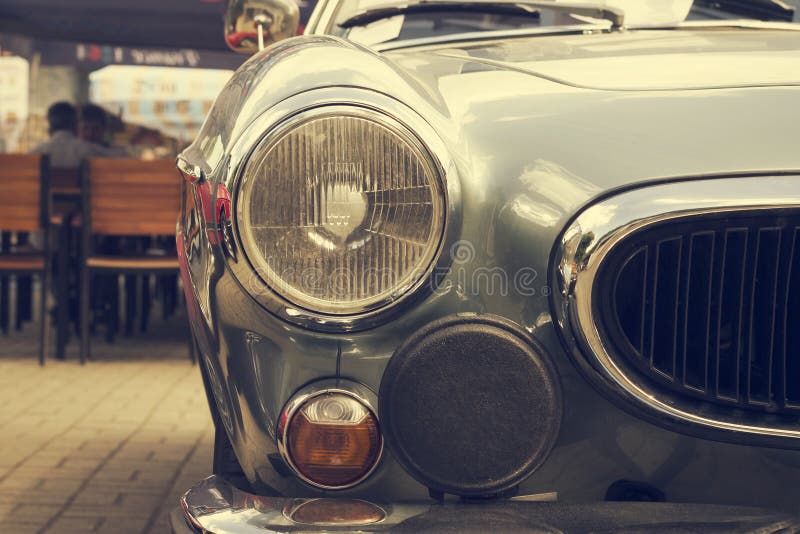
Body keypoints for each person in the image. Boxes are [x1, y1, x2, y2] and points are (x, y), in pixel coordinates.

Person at [31, 101, 111, 167]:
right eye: (85, 128)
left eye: (95, 129)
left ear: (49, 130)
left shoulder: (33, 153)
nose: (90, 134)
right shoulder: (93, 152)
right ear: (75, 127)